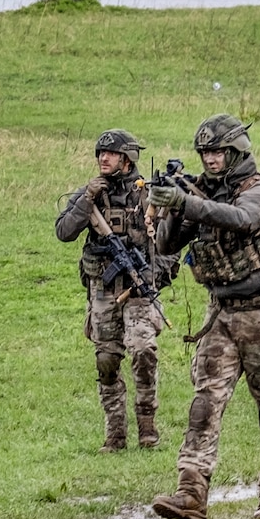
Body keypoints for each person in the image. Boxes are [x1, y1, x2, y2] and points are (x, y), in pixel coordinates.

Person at [149, 114, 260, 519]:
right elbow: (166, 244)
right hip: (220, 315)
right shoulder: (201, 193)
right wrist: (173, 205)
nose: (210, 160)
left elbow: (241, 218)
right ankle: (191, 492)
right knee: (205, 404)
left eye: (217, 152)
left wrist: (187, 203)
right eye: (205, 153)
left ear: (236, 152)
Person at [56, 129, 171, 449]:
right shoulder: (91, 193)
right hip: (103, 289)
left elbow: (171, 241)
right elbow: (64, 232)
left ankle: (147, 427)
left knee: (144, 351)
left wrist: (153, 274)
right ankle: (115, 433)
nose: (103, 158)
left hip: (139, 289)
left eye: (111, 154)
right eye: (100, 153)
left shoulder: (148, 193)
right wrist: (86, 200)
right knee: (106, 360)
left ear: (127, 158)